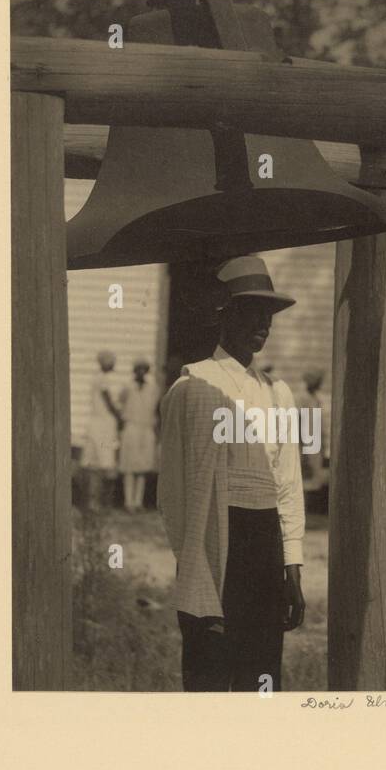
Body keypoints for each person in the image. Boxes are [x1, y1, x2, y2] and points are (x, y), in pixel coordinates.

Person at [158, 255, 306, 692]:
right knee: (210, 663)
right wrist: (196, 566)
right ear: (224, 315)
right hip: (215, 536)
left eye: (269, 314)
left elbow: (288, 482)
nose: (263, 323)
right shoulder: (194, 387)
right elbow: (174, 490)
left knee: (260, 666)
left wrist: (291, 568)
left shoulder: (278, 394)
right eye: (250, 310)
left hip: (264, 542)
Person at [82, 350, 123, 510]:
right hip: (104, 423)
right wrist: (119, 416)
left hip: (96, 422)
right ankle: (104, 501)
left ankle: (94, 502)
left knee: (94, 462)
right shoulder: (103, 379)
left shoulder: (98, 377)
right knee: (105, 461)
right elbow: (108, 402)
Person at [118, 357, 159, 512]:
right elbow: (121, 404)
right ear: (134, 371)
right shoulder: (127, 387)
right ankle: (128, 502)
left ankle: (138, 502)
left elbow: (155, 408)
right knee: (129, 465)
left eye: (144, 369)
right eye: (138, 369)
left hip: (146, 427)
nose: (141, 372)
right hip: (131, 426)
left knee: (142, 466)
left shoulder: (153, 388)